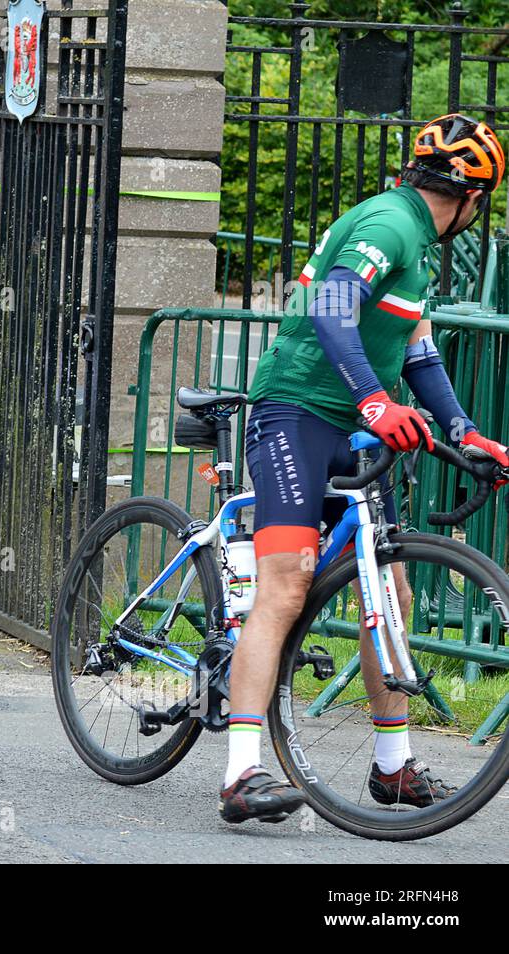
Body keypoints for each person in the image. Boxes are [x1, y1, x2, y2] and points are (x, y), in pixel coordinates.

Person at [224, 113, 507, 823]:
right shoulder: (389, 225)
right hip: (298, 411)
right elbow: (327, 305)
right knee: (285, 590)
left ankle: (392, 767)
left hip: (352, 417)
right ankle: (240, 774)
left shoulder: (419, 244)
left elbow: (418, 352)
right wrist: (376, 402)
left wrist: (463, 429)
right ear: (475, 199)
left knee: (392, 593)